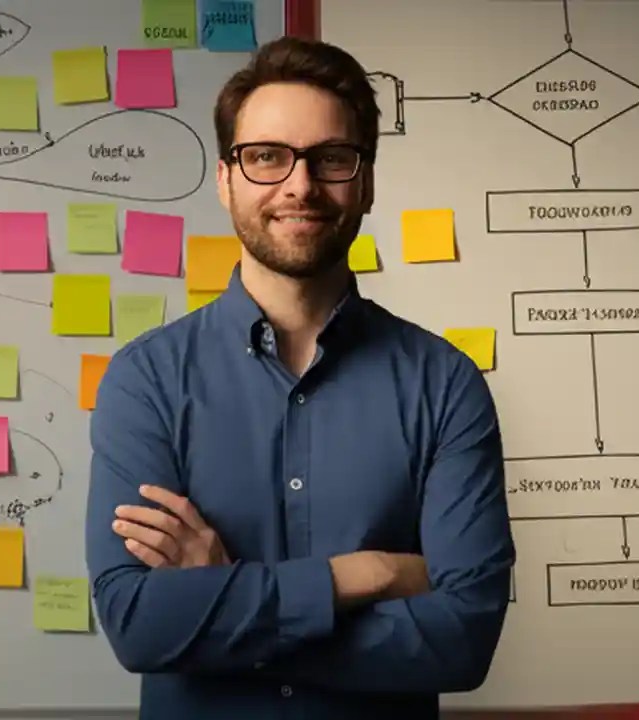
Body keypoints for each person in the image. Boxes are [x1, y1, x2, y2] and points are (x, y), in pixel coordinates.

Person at [85, 35, 516, 720]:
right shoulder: (148, 380)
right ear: (226, 179)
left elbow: (464, 640)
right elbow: (139, 624)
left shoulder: (445, 384)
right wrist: (362, 576)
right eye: (265, 157)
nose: (299, 185)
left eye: (331, 158)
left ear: (366, 181)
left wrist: (224, 602)